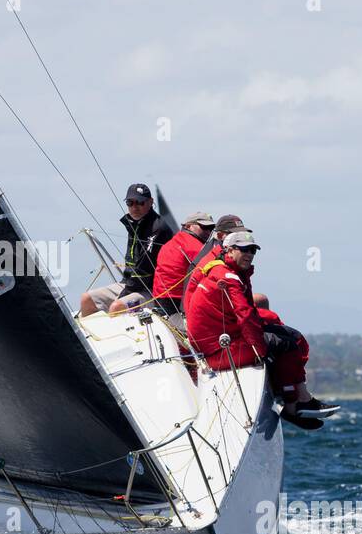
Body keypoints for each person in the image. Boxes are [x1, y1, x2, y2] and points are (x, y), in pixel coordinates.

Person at [186, 230, 335, 430]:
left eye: (253, 251)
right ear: (229, 250)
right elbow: (245, 315)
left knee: (293, 336)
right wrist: (260, 350)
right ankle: (292, 406)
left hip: (220, 340)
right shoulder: (228, 277)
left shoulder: (223, 268)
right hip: (218, 352)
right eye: (244, 250)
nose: (249, 254)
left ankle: (300, 395)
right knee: (284, 345)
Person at [80, 183, 174, 316]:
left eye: (140, 202)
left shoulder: (158, 228)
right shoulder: (134, 223)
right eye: (130, 203)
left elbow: (143, 271)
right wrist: (126, 288)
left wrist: (123, 294)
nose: (135, 207)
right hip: (130, 284)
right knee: (87, 299)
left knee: (117, 307)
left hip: (152, 290)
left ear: (151, 202)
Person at [151, 212, 215, 317]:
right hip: (177, 302)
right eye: (204, 227)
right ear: (188, 226)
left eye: (211, 228)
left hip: (159, 299)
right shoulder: (197, 247)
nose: (208, 231)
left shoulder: (171, 242)